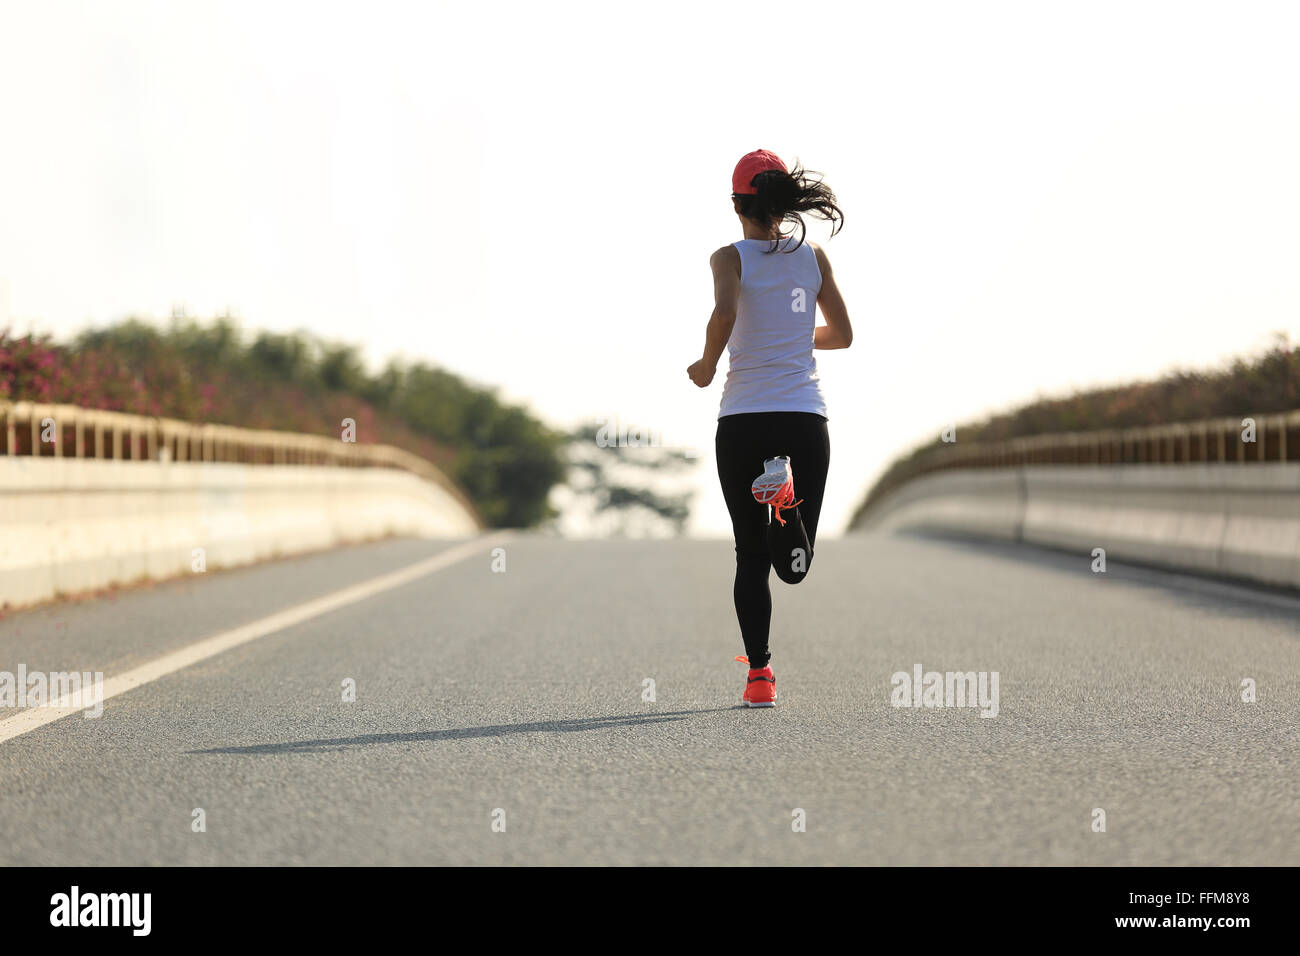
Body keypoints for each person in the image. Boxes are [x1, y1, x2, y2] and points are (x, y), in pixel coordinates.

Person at [686, 148, 853, 707]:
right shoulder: (814, 258)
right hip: (804, 417)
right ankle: (785, 497)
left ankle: (760, 676)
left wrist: (708, 364)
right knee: (795, 564)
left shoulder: (728, 258)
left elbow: (726, 314)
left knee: (751, 557)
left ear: (737, 204)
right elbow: (843, 334)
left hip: (744, 420)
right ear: (784, 203)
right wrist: (790, 337)